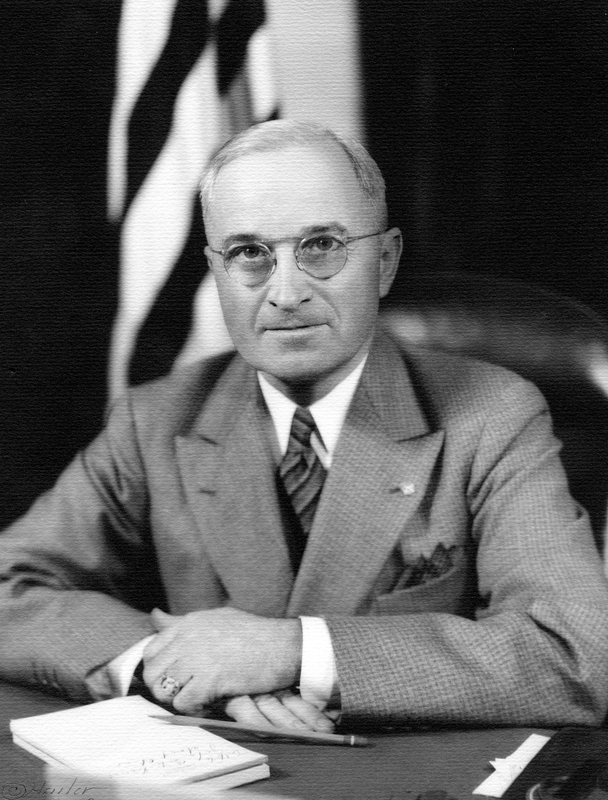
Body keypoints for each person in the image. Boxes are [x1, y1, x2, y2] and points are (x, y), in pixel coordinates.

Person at [1, 120, 608, 734]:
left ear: (385, 261)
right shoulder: (155, 418)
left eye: (321, 245)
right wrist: (174, 666)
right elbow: (7, 583)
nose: (286, 292)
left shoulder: (495, 415)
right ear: (215, 269)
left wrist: (293, 651)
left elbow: (573, 655)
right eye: (249, 254)